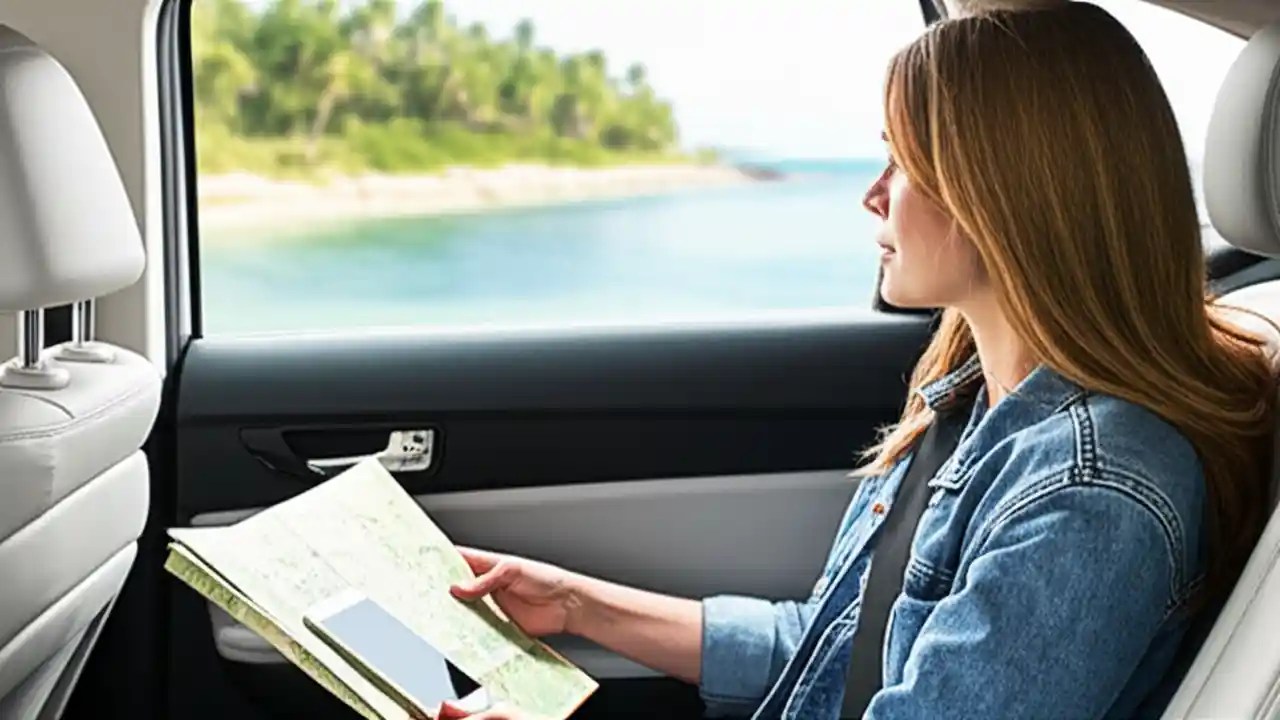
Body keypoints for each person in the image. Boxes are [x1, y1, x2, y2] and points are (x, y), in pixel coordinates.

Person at [436, 2, 1277, 718]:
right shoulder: (975, 405)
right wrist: (576, 605)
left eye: (903, 163)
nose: (872, 195)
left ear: (1001, 194)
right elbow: (841, 653)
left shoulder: (1091, 494)